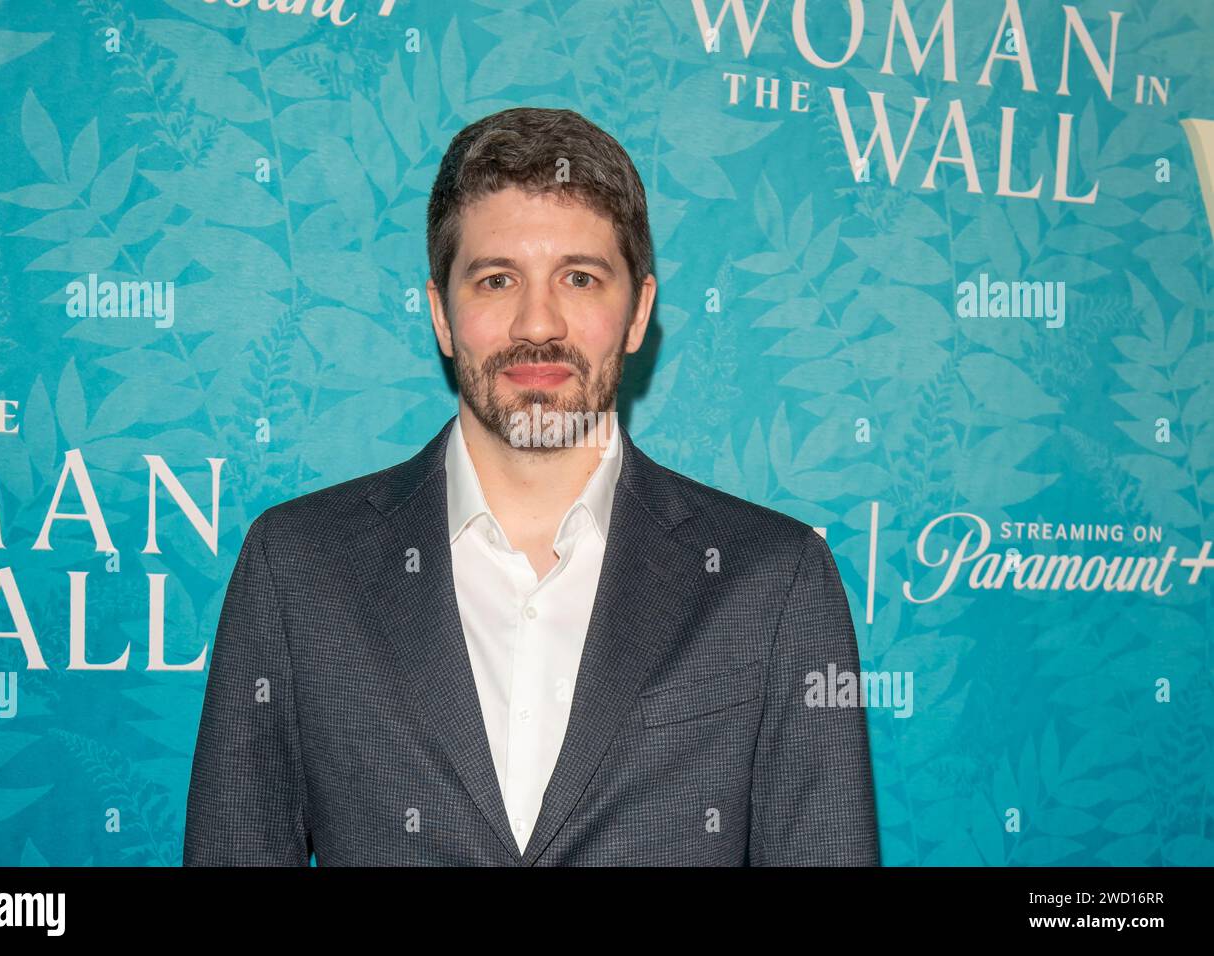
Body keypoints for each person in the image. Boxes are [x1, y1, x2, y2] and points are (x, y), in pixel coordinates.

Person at [184, 107, 879, 866]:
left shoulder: (773, 581)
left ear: (639, 312)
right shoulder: (298, 568)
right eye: (496, 279)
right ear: (442, 316)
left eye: (579, 278)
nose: (538, 323)